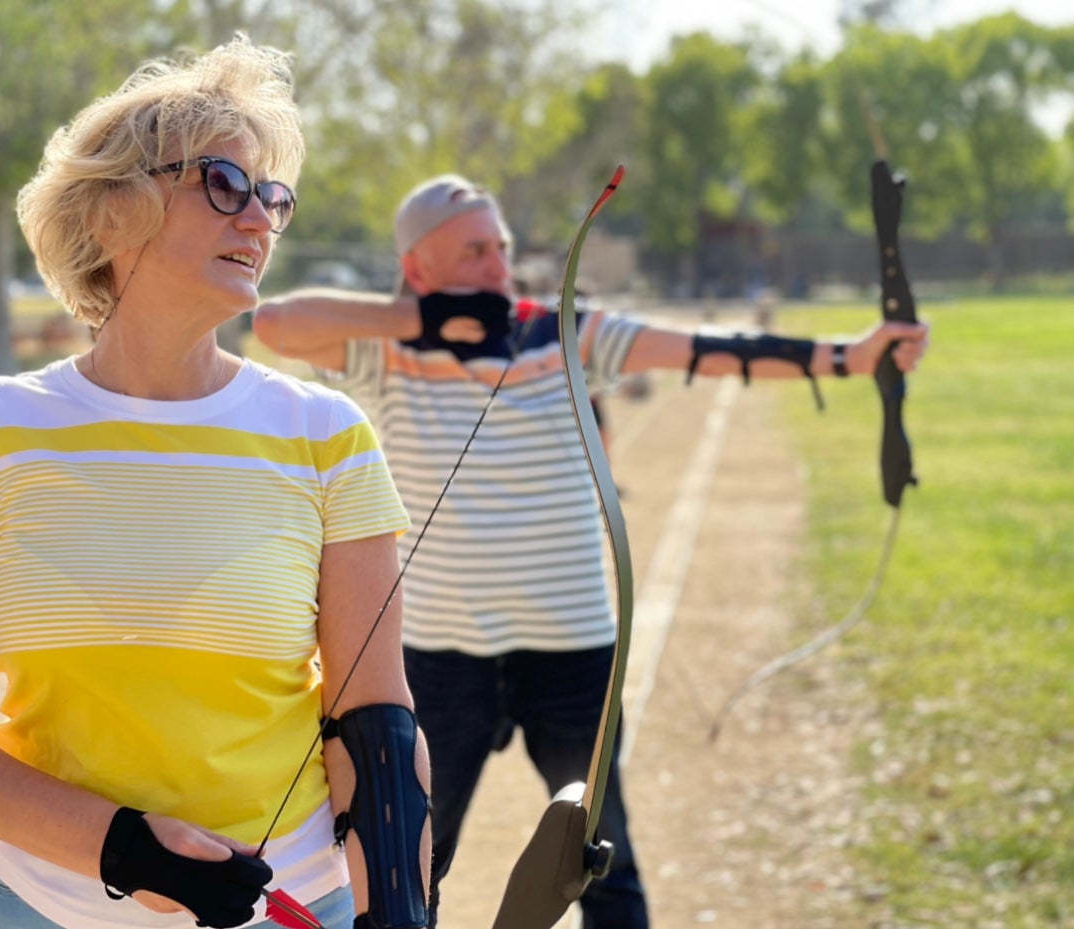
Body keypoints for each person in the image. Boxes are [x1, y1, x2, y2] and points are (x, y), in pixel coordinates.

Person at [0, 36, 431, 929]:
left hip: (289, 899)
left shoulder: (328, 435)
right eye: (225, 185)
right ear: (109, 213)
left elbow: (374, 715)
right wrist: (116, 845)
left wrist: (397, 905)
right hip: (43, 903)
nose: (260, 220)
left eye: (271, 197)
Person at [252, 174, 930, 929]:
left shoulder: (563, 330)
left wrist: (853, 356)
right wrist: (431, 318)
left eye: (501, 248)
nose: (498, 266)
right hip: (442, 658)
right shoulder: (388, 351)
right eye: (474, 251)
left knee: (604, 858)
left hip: (571, 652)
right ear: (419, 267)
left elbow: (708, 350)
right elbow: (276, 321)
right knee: (406, 864)